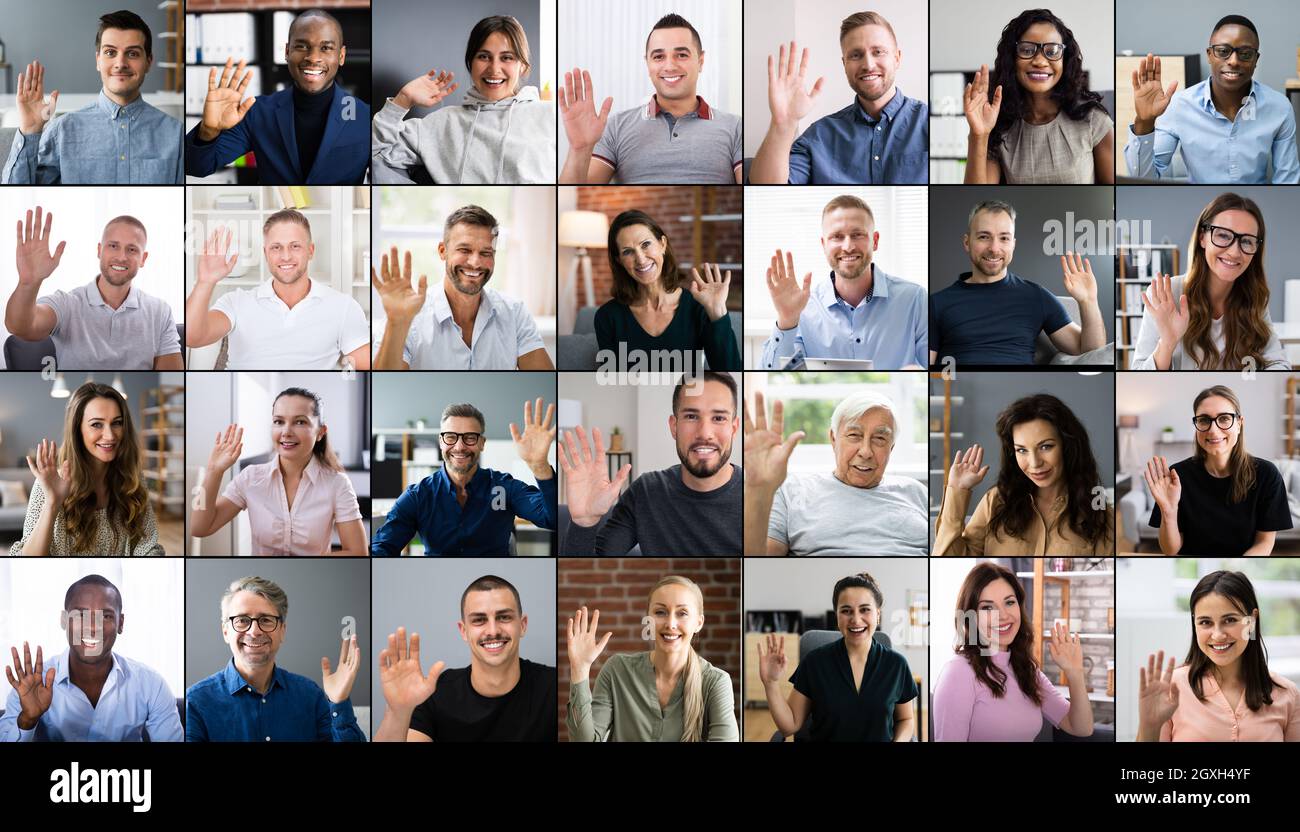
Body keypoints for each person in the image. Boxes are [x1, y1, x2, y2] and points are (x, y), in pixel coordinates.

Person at [560, 372, 741, 556]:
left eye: (718, 418)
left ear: (734, 428)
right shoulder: (646, 491)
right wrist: (584, 522)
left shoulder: (758, 496)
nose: (705, 433)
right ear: (674, 426)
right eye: (691, 416)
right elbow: (591, 571)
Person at [184, 10, 370, 184]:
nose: (313, 57)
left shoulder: (365, 117)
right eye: (302, 46)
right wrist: (208, 131)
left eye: (326, 48)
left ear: (341, 56)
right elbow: (196, 166)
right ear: (287, 52)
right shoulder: (258, 112)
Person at [559, 13, 742, 184]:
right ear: (648, 63)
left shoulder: (735, 127)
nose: (669, 66)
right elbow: (579, 191)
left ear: (700, 61)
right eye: (659, 56)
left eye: (681, 55)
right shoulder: (615, 127)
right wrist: (580, 149)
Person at [3, 11, 182, 184]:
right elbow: (17, 200)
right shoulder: (61, 131)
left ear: (148, 62)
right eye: (110, 53)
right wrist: (29, 130)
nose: (120, 64)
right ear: (98, 60)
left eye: (132, 53)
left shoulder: (175, 134)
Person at [743, 390, 927, 556]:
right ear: (833, 438)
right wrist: (757, 491)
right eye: (854, 435)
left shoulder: (917, 492)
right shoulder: (791, 490)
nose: (866, 451)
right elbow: (760, 560)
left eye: (879, 438)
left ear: (891, 447)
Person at [750, 12, 927, 184]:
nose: (868, 65)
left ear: (897, 58)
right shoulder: (819, 136)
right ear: (844, 64)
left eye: (878, 52)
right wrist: (783, 123)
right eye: (856, 55)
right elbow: (765, 186)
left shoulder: (931, 122)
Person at [372, 16, 554, 183]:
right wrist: (403, 100)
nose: (494, 69)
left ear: (522, 66)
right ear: (470, 63)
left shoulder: (551, 116)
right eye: (484, 56)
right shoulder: (441, 123)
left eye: (506, 58)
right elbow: (373, 155)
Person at [374, 575, 556, 742]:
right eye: (479, 620)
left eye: (504, 617)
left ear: (522, 625)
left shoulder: (552, 687)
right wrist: (397, 712)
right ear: (463, 631)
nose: (493, 630)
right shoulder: (434, 693)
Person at [1, 575, 181, 741]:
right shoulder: (31, 685)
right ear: (64, 620)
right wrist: (27, 720)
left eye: (106, 616)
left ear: (121, 623)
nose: (93, 628)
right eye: (80, 615)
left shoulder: (151, 684)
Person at [184, 210, 371, 370]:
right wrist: (205, 281)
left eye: (295, 246)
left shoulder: (342, 306)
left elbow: (369, 367)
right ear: (266, 253)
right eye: (276, 247)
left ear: (311, 251)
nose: (286, 256)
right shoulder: (235, 301)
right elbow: (193, 337)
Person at [373, 205, 553, 370]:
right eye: (464, 250)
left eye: (485, 253)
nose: (475, 263)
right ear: (443, 251)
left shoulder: (515, 313)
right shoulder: (407, 317)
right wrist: (396, 323)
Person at [185, 576, 364, 741]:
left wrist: (339, 702)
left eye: (266, 620)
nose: (254, 631)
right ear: (225, 631)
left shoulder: (310, 696)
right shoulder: (196, 701)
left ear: (282, 631)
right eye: (242, 620)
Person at [190, 387, 366, 555]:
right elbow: (199, 527)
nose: (286, 431)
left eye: (300, 422)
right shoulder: (250, 478)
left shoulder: (337, 484)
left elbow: (357, 552)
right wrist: (214, 471)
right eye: (278, 422)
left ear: (320, 432)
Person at [929, 200, 1106, 366]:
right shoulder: (937, 303)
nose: (994, 248)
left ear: (1013, 244)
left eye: (1004, 238)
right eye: (984, 237)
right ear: (967, 242)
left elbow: (1090, 352)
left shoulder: (1036, 296)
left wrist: (1088, 301)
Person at [1124, 15, 1299, 184]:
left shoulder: (1279, 108)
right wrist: (1145, 123)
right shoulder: (1178, 105)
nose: (1233, 61)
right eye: (1223, 51)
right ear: (1209, 55)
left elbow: (1288, 181)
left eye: (1245, 54)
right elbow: (1144, 180)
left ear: (1255, 59)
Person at [758, 194, 926, 369]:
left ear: (874, 241)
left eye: (857, 234)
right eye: (837, 236)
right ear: (823, 244)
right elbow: (776, 372)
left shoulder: (915, 299)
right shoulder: (803, 307)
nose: (848, 247)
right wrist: (786, 320)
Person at [371, 400, 557, 556]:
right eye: (451, 437)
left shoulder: (504, 487)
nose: (459, 447)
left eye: (470, 437)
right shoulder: (418, 496)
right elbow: (382, 548)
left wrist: (539, 465)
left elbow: (552, 519)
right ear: (440, 442)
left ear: (482, 443)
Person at [5, 207, 182, 370]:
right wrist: (28, 283)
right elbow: (20, 327)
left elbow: (173, 377)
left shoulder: (160, 311)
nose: (121, 257)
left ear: (143, 258)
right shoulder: (67, 303)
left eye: (132, 250)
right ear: (99, 250)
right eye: (113, 246)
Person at [935, 394, 1113, 555]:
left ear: (1067, 446)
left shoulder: (1096, 509)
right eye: (1022, 450)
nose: (1035, 463)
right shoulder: (996, 501)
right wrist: (957, 490)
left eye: (1046, 447)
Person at [933, 563, 1094, 741]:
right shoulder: (958, 672)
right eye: (987, 607)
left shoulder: (1026, 669)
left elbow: (1081, 727)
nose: (1003, 615)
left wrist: (1075, 673)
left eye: (1009, 602)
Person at [566, 575, 737, 741]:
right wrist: (579, 669)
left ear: (698, 623)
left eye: (682, 613)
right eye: (660, 612)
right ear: (648, 618)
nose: (670, 624)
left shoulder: (716, 682)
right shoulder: (616, 670)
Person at [1132, 193, 1288, 370]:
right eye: (1223, 235)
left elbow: (1279, 363)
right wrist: (1167, 343)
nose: (1235, 252)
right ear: (1202, 238)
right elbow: (1138, 372)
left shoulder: (1253, 298)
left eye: (1246, 241)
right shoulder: (1166, 295)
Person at [1138, 571, 1300, 741]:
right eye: (1205, 622)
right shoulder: (1171, 687)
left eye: (1229, 620)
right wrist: (1148, 728)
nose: (1217, 635)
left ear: (1252, 621)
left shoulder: (1288, 694)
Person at [758, 572, 917, 741]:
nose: (856, 619)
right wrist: (771, 683)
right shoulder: (814, 663)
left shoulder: (897, 665)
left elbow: (905, 719)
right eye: (846, 611)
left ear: (878, 614)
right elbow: (789, 725)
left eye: (865, 610)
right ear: (837, 616)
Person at [10, 382, 163, 556]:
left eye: (117, 423)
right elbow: (26, 562)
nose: (110, 435)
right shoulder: (50, 484)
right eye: (97, 424)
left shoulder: (133, 479)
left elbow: (148, 546)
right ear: (77, 429)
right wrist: (52, 503)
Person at [963, 9, 1114, 184]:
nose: (1040, 61)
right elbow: (981, 201)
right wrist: (979, 135)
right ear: (1012, 58)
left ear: (1065, 59)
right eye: (1027, 50)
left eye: (1052, 51)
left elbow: (1113, 197)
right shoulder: (999, 126)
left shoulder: (1093, 119)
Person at [1144, 385, 1291, 555]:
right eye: (1204, 420)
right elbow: (1170, 551)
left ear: (1239, 423)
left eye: (1224, 419)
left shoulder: (1267, 474)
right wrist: (1168, 511)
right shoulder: (1178, 475)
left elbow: (1264, 543)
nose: (1213, 431)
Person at [594, 210, 740, 372]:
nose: (641, 259)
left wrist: (717, 311)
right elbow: (610, 382)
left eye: (646, 244)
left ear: (662, 244)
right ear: (619, 260)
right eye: (628, 251)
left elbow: (730, 374)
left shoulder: (697, 306)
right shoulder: (607, 316)